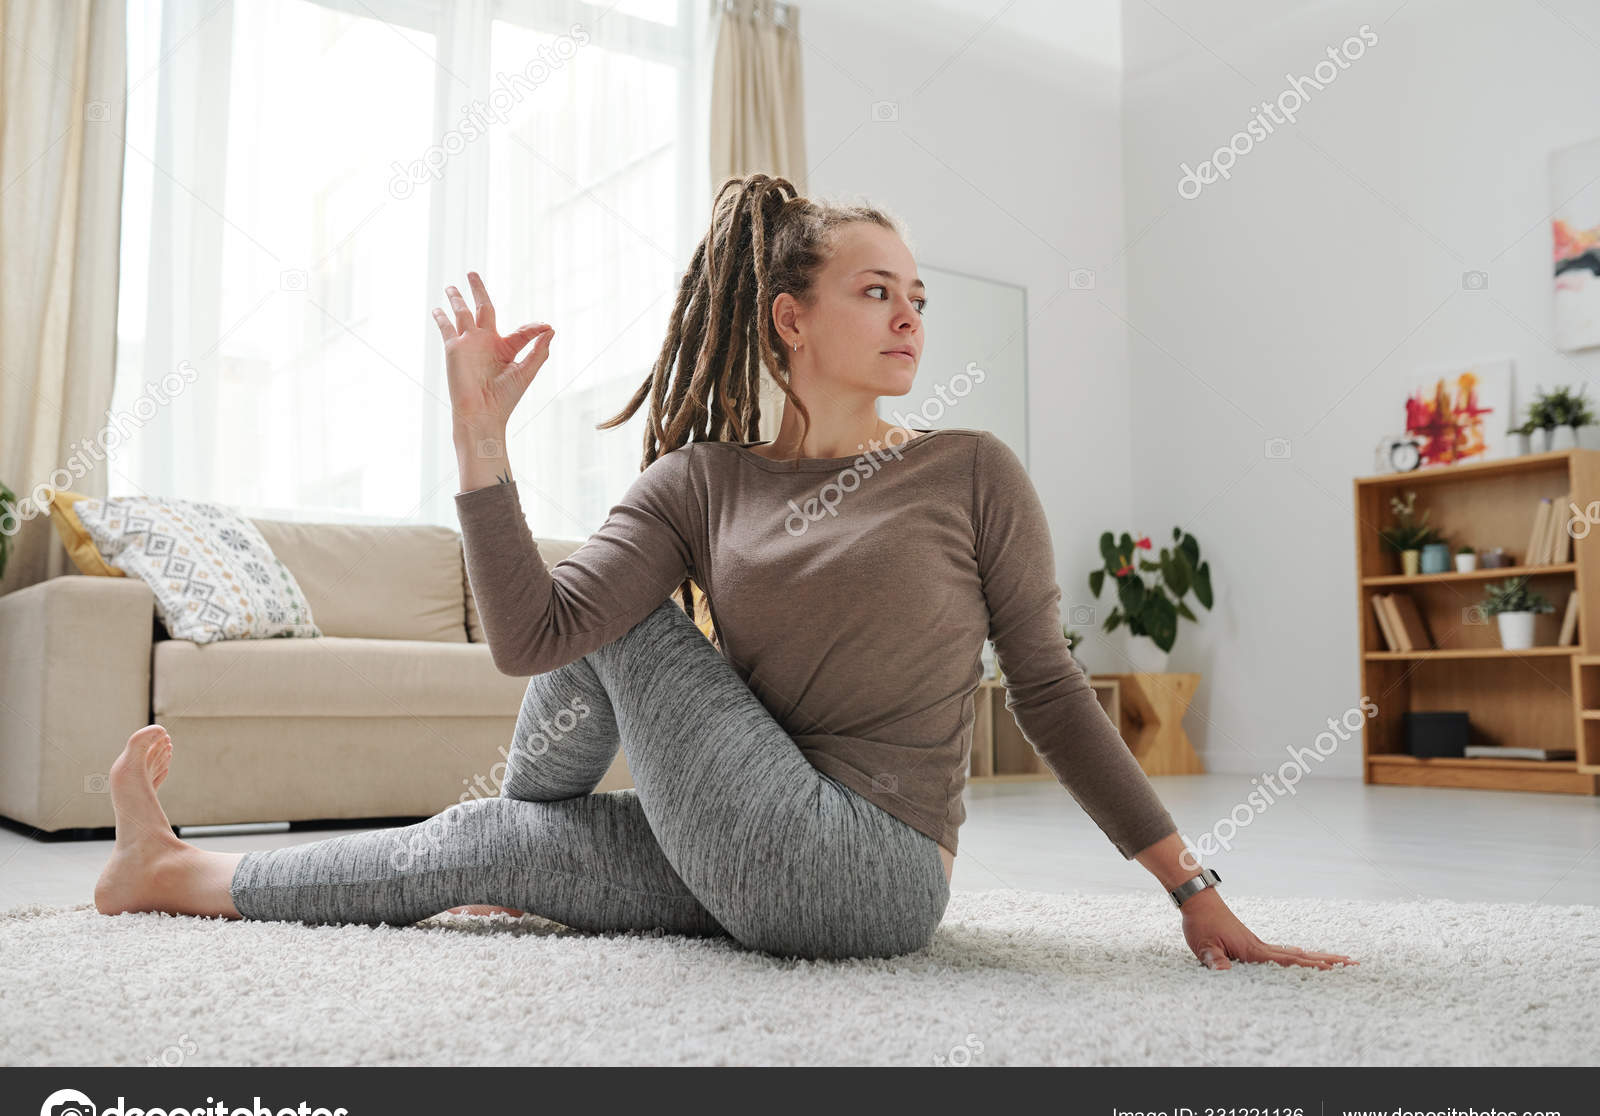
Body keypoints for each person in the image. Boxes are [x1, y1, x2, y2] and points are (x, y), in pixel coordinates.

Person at [94, 173, 1355, 970]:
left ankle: (532, 828)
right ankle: (173, 874)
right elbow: (530, 637)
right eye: (877, 292)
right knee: (494, 837)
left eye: (917, 295)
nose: (911, 315)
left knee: (628, 624)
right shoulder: (703, 481)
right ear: (791, 321)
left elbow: (1045, 687)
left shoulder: (970, 469)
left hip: (873, 874)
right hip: (744, 848)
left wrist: (1190, 885)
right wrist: (481, 443)